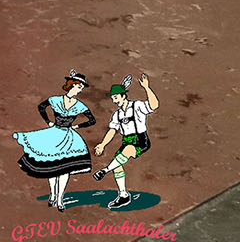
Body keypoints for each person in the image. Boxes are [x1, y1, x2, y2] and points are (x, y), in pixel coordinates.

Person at [11, 71, 95, 211]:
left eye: (81, 88)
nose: (80, 90)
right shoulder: (55, 100)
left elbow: (92, 120)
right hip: (53, 134)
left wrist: (76, 126)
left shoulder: (80, 105)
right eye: (79, 87)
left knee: (65, 169)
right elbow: (41, 107)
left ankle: (60, 198)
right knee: (52, 168)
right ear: (72, 85)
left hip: (69, 138)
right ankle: (53, 195)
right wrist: (48, 122)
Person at [92, 73, 159, 210]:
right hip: (126, 140)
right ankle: (123, 195)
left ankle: (104, 170)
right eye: (112, 98)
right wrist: (103, 144)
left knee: (127, 151)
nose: (114, 101)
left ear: (123, 96)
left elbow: (154, 105)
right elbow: (112, 130)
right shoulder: (117, 115)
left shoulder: (137, 106)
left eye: (116, 97)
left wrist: (146, 88)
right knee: (117, 165)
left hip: (140, 140)